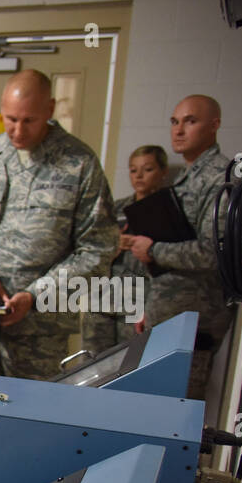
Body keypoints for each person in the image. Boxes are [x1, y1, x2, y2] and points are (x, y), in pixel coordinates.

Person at [0, 69, 119, 380]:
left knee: (28, 422)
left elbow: (98, 249)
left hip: (42, 334)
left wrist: (36, 295)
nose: (17, 130)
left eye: (28, 121)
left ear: (49, 110)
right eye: (10, 119)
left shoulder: (79, 163)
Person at [125, 95, 232, 399]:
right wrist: (152, 303)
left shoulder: (218, 178)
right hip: (170, 315)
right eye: (174, 122)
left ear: (215, 125)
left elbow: (213, 253)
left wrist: (153, 249)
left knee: (173, 414)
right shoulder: (188, 176)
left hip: (193, 324)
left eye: (190, 121)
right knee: (151, 405)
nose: (179, 130)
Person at [82, 145, 167, 355]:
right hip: (103, 298)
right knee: (92, 364)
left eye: (147, 170)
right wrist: (113, 246)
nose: (139, 176)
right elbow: (89, 249)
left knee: (130, 364)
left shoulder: (168, 212)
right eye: (133, 170)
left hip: (140, 301)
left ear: (163, 172)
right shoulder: (115, 210)